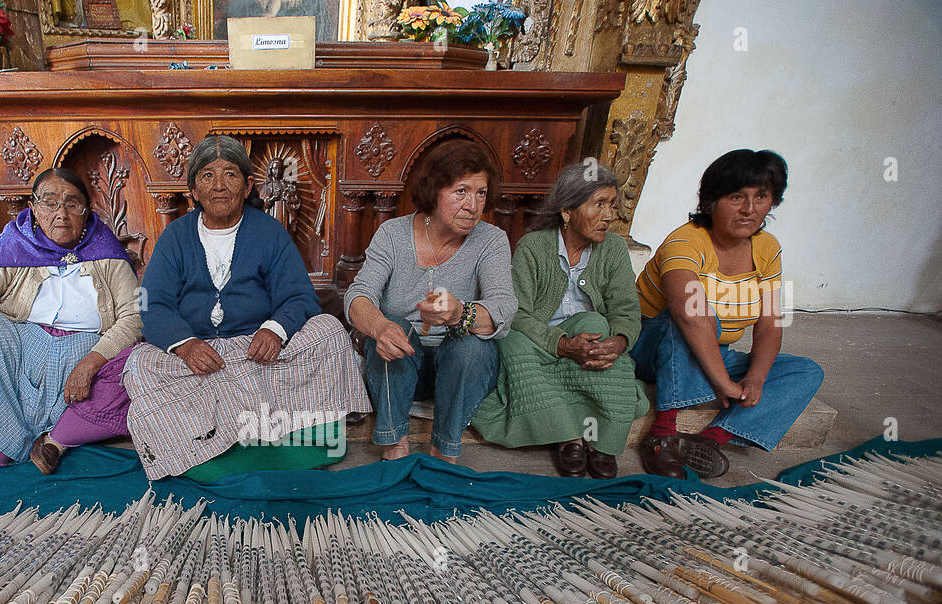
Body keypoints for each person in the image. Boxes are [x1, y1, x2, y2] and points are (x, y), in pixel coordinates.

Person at [123, 135, 370, 482]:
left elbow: (299, 295)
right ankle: (199, 451)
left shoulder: (269, 232)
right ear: (193, 189)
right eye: (207, 175)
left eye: (230, 175)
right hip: (199, 354)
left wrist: (276, 329)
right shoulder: (176, 237)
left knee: (328, 329)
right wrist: (185, 344)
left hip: (256, 351)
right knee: (141, 362)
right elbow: (151, 303)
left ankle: (294, 449)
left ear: (247, 184)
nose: (219, 185)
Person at [0, 168, 142, 475]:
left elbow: (133, 317)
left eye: (71, 204)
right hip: (25, 344)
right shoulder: (15, 247)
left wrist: (90, 363)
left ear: (86, 211)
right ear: (34, 208)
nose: (61, 213)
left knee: (139, 360)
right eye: (50, 203)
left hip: (88, 347)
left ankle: (57, 439)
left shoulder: (107, 253)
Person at [632, 149, 823, 479]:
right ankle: (662, 436)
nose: (749, 209)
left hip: (709, 350)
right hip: (650, 346)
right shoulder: (685, 241)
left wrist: (756, 378)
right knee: (695, 313)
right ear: (710, 202)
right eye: (737, 197)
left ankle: (709, 440)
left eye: (761, 196)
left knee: (805, 371)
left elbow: (770, 324)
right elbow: (688, 314)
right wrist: (722, 381)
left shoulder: (768, 248)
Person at [471, 161, 646, 478]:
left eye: (612, 204)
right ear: (567, 211)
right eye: (599, 204)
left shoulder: (615, 249)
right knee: (509, 340)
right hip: (540, 341)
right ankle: (568, 437)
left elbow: (626, 309)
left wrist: (618, 343)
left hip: (588, 339)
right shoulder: (534, 247)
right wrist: (562, 345)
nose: (610, 215)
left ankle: (600, 441)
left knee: (595, 323)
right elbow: (518, 312)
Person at [347, 139, 516, 464]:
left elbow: (503, 306)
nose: (473, 205)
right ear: (434, 191)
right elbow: (359, 295)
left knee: (472, 345)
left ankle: (445, 450)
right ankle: (394, 445)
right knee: (391, 327)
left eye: (481, 193)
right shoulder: (392, 234)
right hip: (401, 361)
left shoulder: (491, 240)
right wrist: (380, 327)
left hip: (458, 372)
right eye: (461, 191)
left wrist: (460, 314)